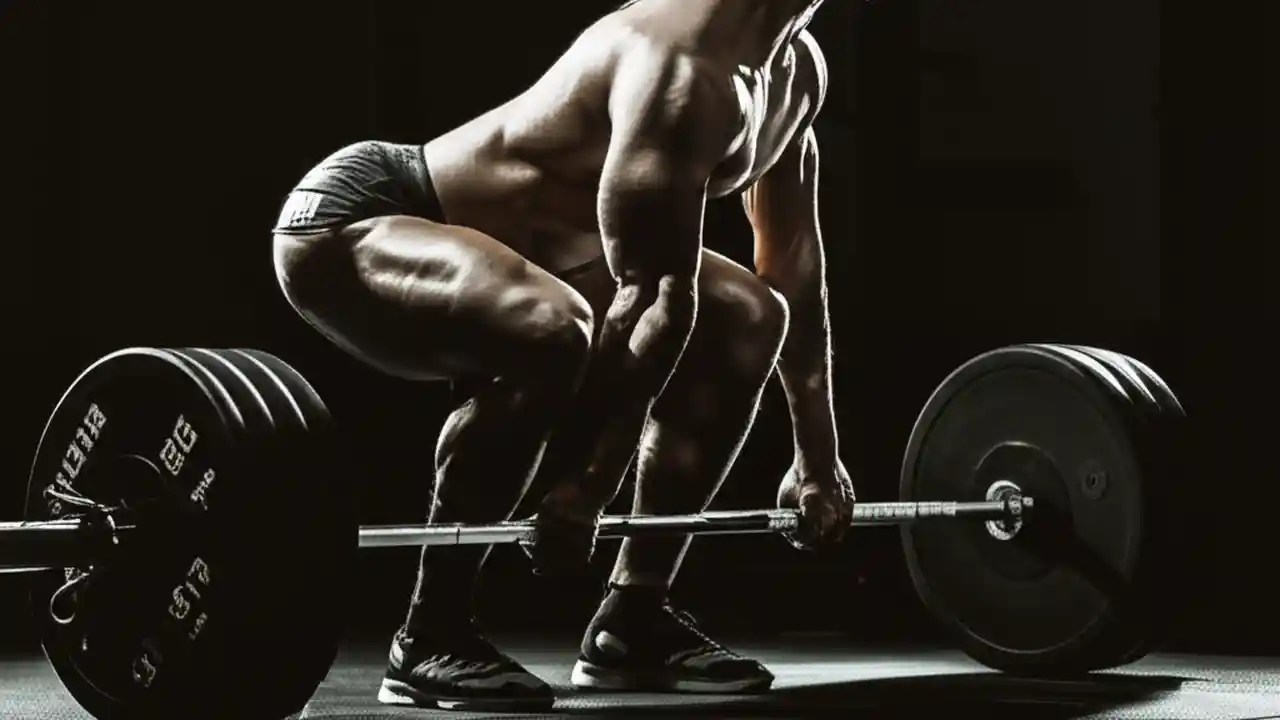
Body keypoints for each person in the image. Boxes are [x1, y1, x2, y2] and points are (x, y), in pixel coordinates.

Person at [271, 0, 855, 711]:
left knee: (751, 314)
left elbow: (794, 266)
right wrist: (586, 483)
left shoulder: (794, 73)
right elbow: (649, 299)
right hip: (362, 218)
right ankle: (429, 636)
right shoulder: (680, 66)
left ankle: (632, 621)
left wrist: (817, 457)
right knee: (554, 328)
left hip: (539, 261)